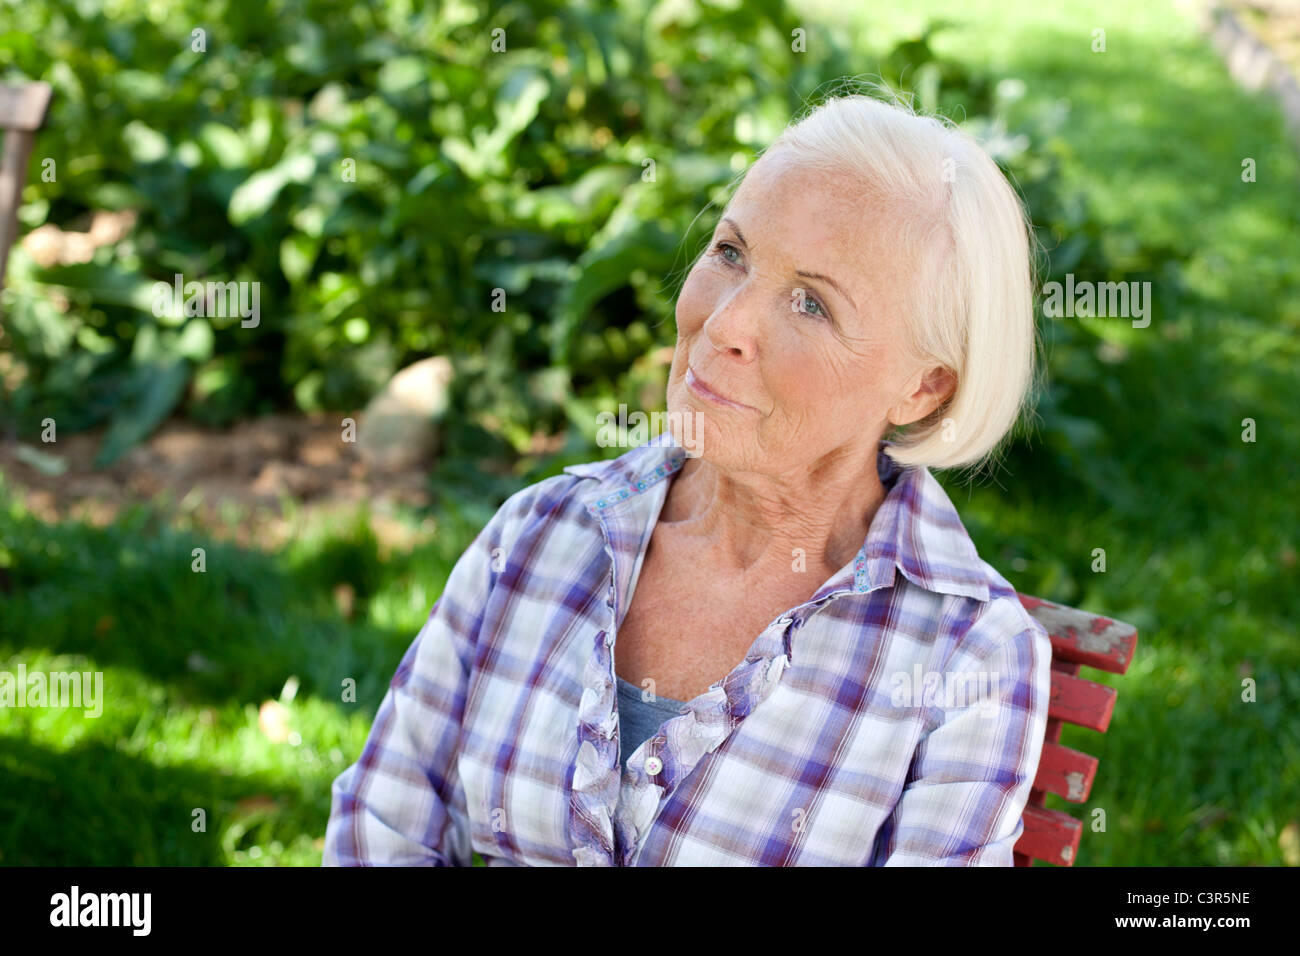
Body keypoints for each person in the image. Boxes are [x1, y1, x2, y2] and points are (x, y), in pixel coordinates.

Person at [323, 87, 1052, 866]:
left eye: (811, 305)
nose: (725, 322)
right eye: (732, 253)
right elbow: (382, 829)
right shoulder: (540, 535)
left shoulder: (968, 657)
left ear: (924, 387)